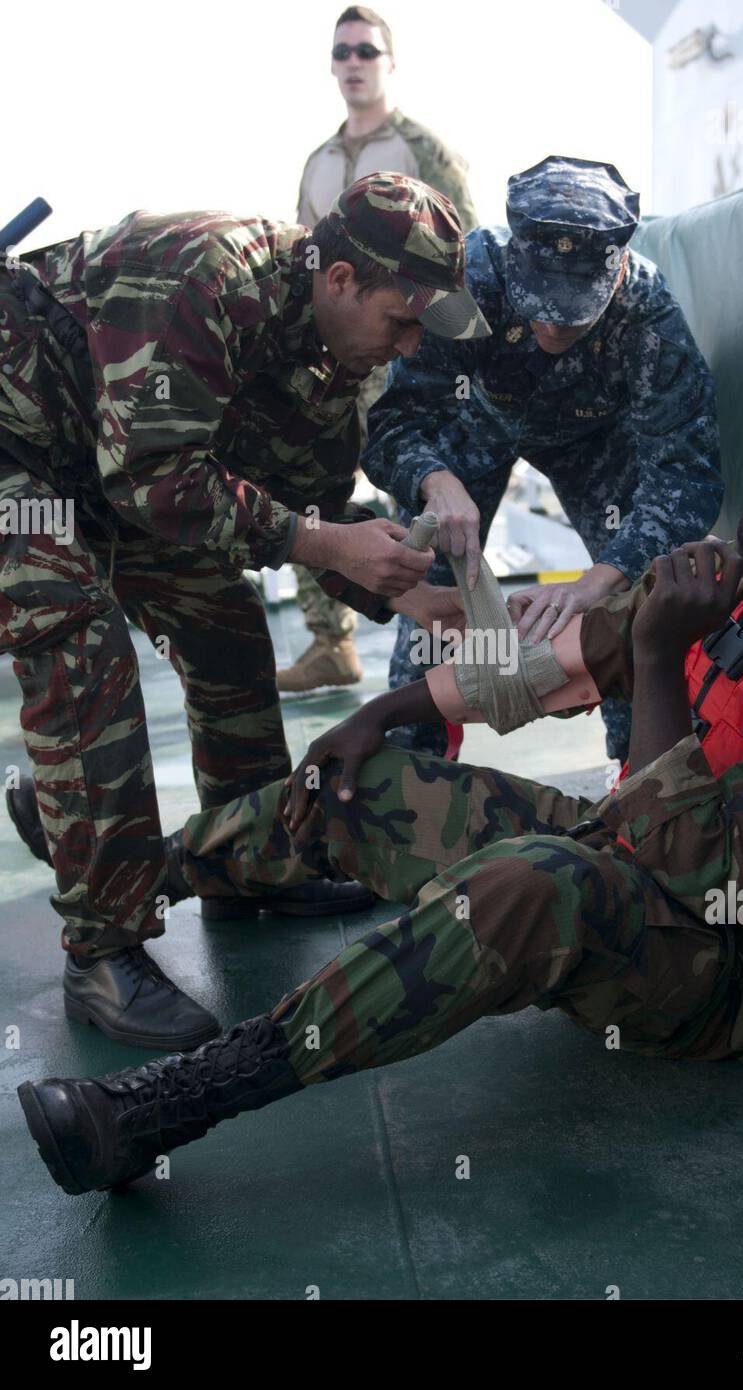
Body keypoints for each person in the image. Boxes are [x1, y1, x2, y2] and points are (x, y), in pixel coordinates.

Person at [18, 458, 743, 1196]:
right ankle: (135, 877)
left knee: (534, 883)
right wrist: (386, 708)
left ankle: (169, 1106)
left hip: (740, 965)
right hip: (632, 843)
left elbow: (698, 856)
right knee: (361, 782)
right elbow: (553, 661)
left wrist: (657, 654)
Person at [0, 172, 485, 1050]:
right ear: (339, 279)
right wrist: (331, 547)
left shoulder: (336, 358)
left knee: (222, 624)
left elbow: (298, 504)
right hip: (17, 443)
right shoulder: (202, 274)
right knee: (75, 634)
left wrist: (406, 588)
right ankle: (104, 949)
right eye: (402, 319)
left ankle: (243, 865)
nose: (412, 345)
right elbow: (158, 481)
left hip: (107, 471)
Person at [363, 154, 723, 765]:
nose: (551, 328)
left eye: (573, 311)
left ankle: (641, 777)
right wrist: (435, 480)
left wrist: (602, 577)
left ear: (613, 279)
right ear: (514, 264)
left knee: (631, 599)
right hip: (474, 422)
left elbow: (685, 477)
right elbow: (394, 425)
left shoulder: (648, 316)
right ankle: (407, 771)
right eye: (537, 304)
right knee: (427, 588)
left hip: (593, 440)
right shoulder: (470, 278)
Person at [282, 3, 479, 695]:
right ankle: (328, 642)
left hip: (401, 351)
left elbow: (463, 259)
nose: (353, 64)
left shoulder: (425, 152)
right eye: (342, 52)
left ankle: (422, 632)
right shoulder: (319, 160)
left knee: (407, 486)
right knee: (305, 484)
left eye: (366, 51)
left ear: (388, 62)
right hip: (330, 354)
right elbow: (303, 259)